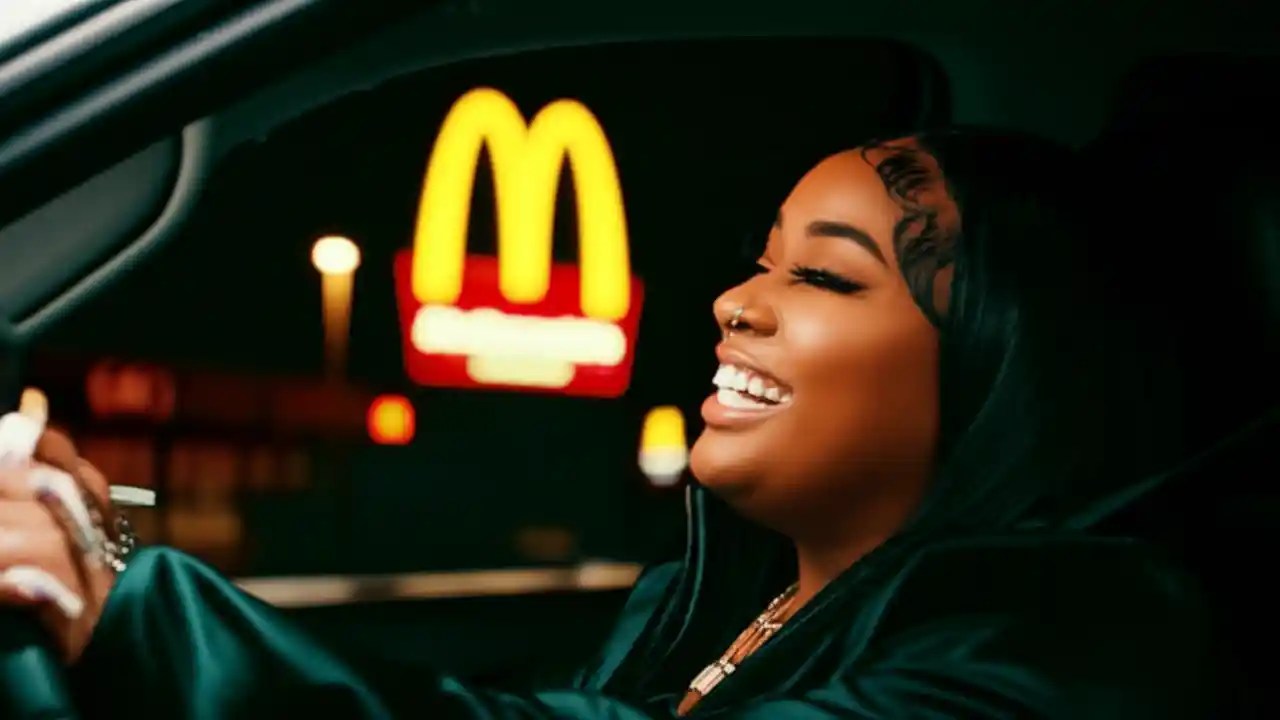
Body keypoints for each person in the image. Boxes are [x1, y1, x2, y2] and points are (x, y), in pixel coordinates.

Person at [0, 128, 1217, 718]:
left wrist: (129, 613)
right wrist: (94, 555)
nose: (733, 304)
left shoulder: (1071, 650)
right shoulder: (699, 598)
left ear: (1003, 373)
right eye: (757, 264)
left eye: (825, 278)